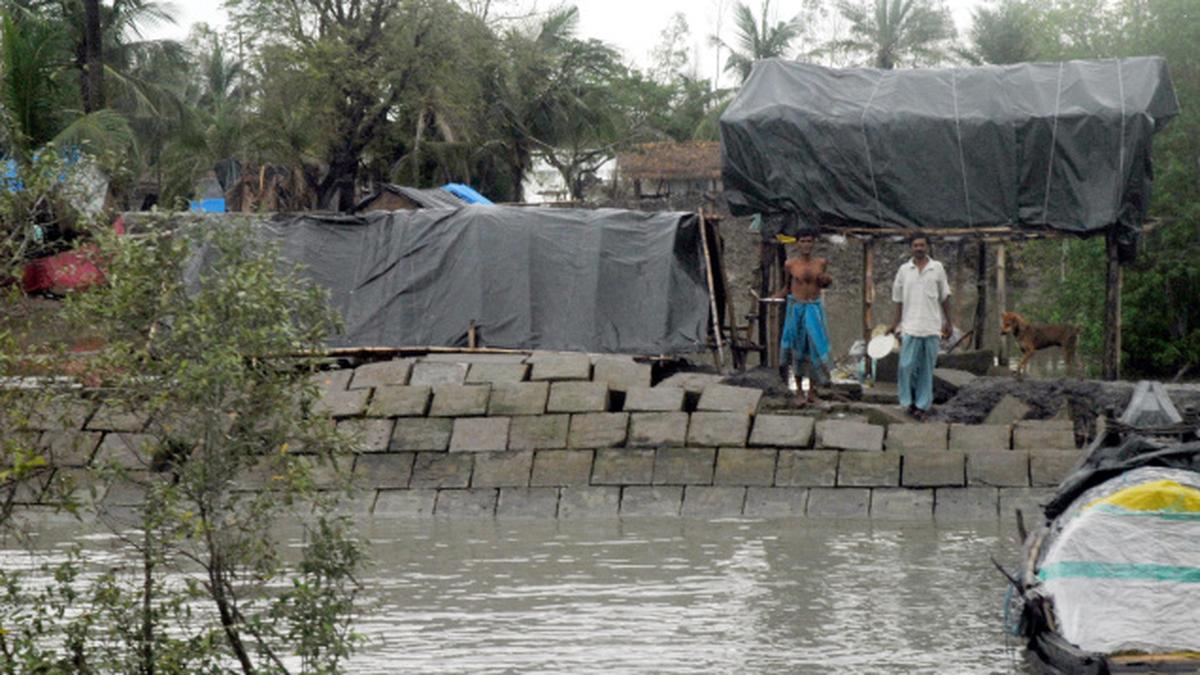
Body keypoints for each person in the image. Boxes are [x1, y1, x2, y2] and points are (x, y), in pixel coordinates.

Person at [889, 234, 953, 421]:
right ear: (911, 248)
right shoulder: (904, 270)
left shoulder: (937, 268)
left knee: (926, 368)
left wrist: (948, 322)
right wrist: (895, 323)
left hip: (932, 326)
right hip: (909, 326)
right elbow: (898, 299)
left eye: (922, 245)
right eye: (915, 245)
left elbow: (945, 296)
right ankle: (907, 401)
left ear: (927, 247)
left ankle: (922, 405)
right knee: (906, 366)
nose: (918, 248)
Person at [773, 230, 834, 407]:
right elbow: (787, 288)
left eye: (809, 241)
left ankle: (812, 392)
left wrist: (826, 280)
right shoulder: (790, 264)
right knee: (797, 348)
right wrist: (775, 296)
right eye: (802, 241)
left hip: (813, 310)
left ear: (813, 243)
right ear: (797, 244)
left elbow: (824, 284)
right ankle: (799, 391)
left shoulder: (821, 263)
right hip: (797, 309)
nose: (806, 244)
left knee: (814, 349)